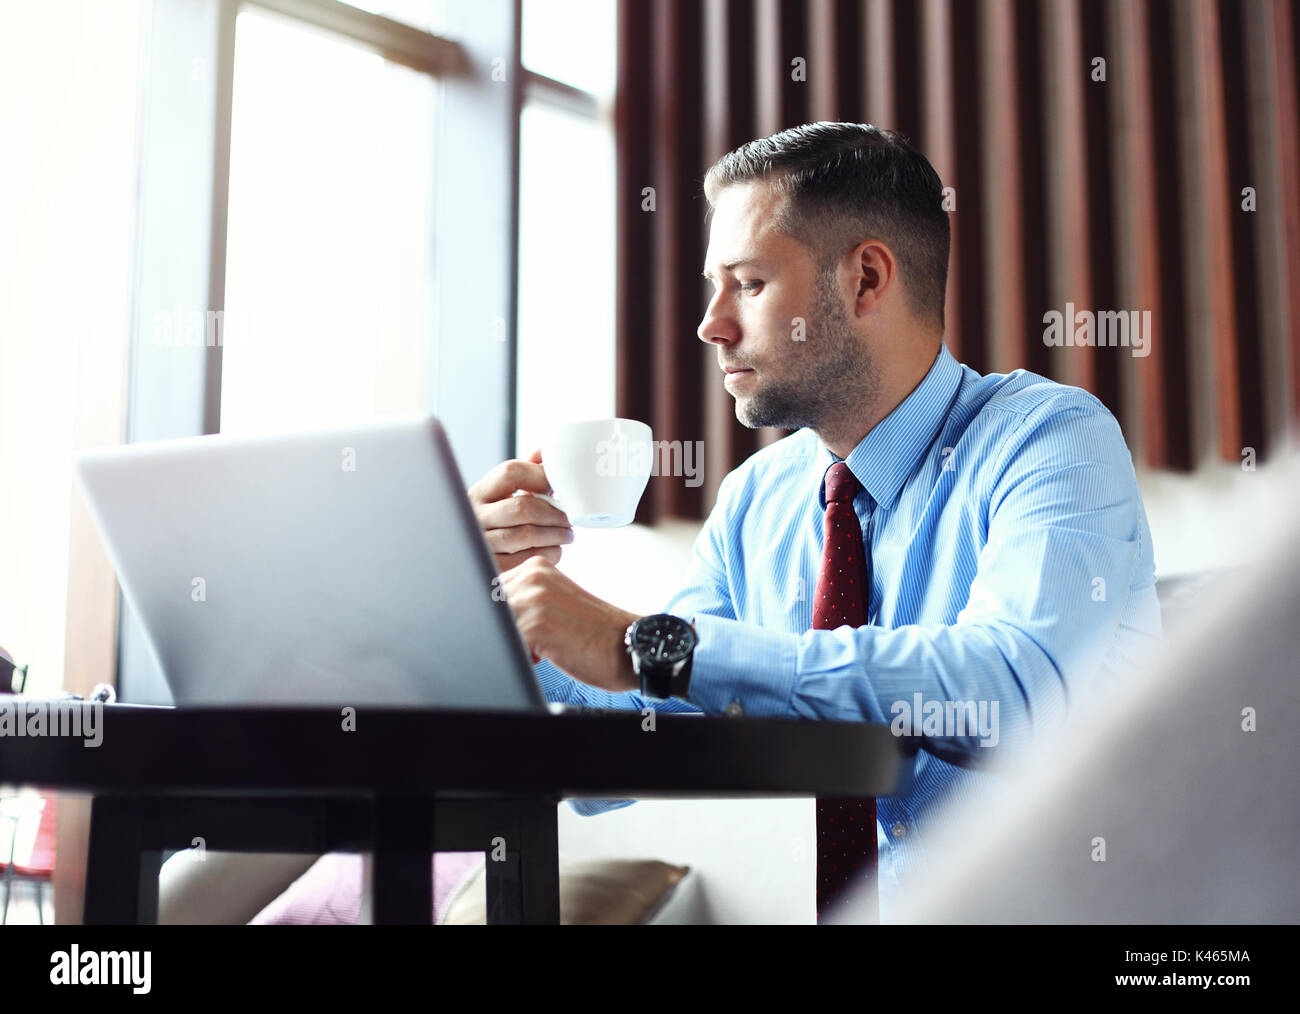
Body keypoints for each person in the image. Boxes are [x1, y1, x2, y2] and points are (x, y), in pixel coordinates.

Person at [470, 122, 1163, 923]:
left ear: (866, 279)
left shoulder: (1051, 437)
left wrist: (651, 644)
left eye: (749, 283)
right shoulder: (758, 498)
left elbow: (1008, 692)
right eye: (712, 285)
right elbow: (644, 729)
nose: (710, 323)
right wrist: (499, 610)